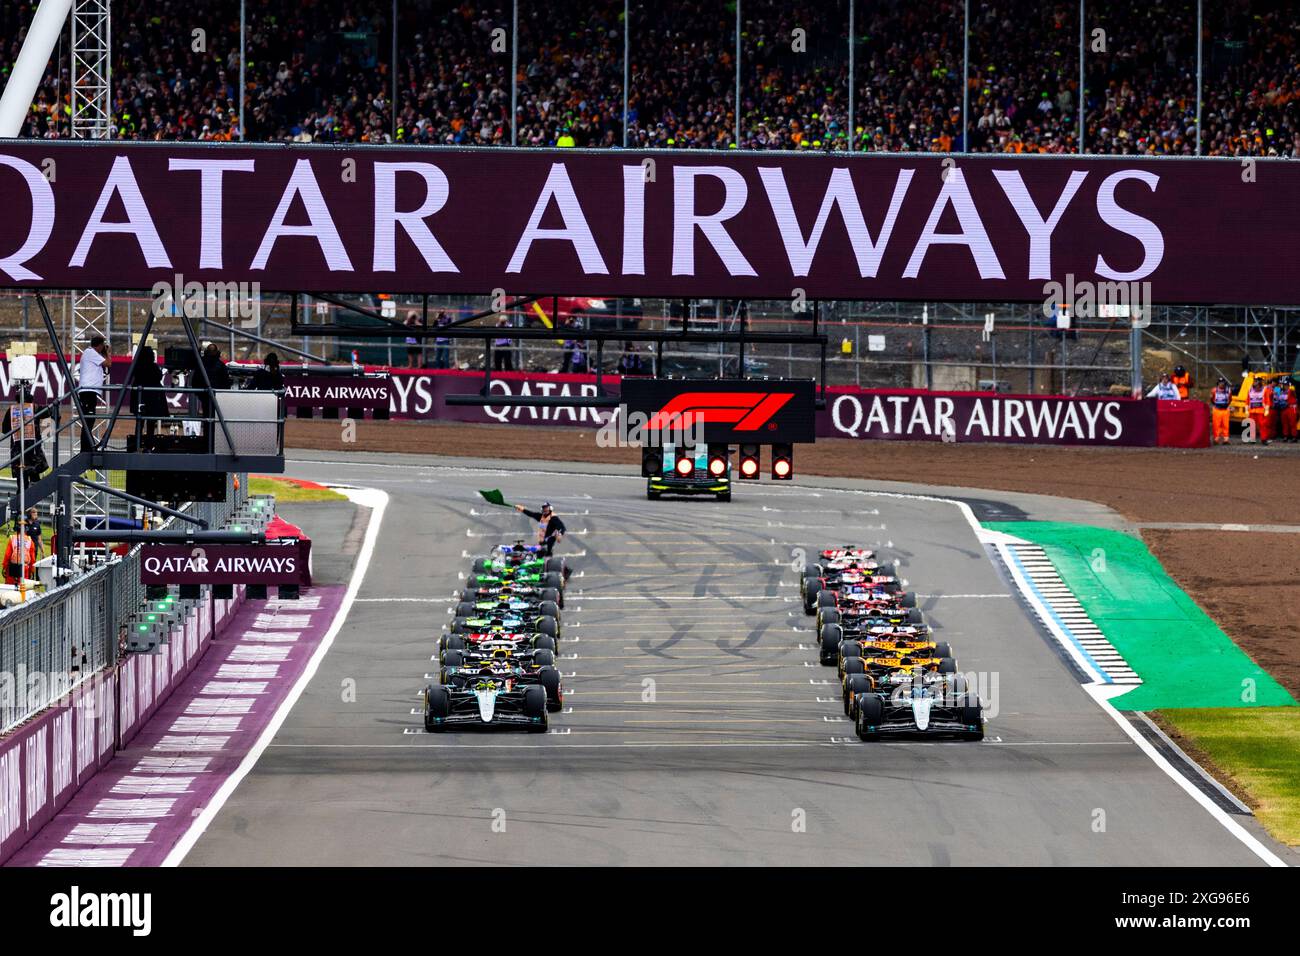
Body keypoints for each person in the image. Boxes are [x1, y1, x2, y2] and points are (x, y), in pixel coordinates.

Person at [131, 344, 169, 445]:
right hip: (152, 399)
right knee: (151, 423)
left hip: (140, 399)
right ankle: (149, 445)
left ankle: (137, 444)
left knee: (139, 423)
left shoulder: (136, 366)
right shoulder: (153, 367)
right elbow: (158, 376)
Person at [77, 334, 108, 451]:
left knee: (89, 420)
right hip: (88, 391)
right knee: (88, 420)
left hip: (90, 391)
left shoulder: (90, 353)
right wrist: (106, 352)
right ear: (100, 345)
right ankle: (86, 448)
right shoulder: (91, 353)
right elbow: (109, 363)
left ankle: (88, 446)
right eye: (103, 345)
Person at [3, 520, 36, 586]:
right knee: (23, 588)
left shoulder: (12, 539)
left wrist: (5, 567)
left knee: (10, 588)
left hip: (12, 568)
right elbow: (32, 558)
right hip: (25, 568)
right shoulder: (30, 541)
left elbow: (7, 555)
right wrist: (32, 570)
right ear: (26, 530)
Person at [1271, 377, 1297, 443]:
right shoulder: (1279, 391)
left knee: (1292, 423)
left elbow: (1294, 394)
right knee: (1284, 423)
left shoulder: (1291, 390)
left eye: (1286, 385)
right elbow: (1275, 398)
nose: (1285, 386)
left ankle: (1294, 437)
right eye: (1284, 385)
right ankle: (1285, 436)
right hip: (1283, 409)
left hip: (1291, 408)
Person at [1246, 376, 1270, 444]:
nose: (1255, 383)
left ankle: (1264, 439)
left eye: (1257, 381)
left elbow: (1267, 400)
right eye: (1255, 381)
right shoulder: (1250, 389)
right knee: (1252, 425)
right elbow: (1247, 400)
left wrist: (1267, 410)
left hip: (1261, 411)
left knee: (1263, 425)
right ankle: (1252, 439)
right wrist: (1247, 410)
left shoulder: (1265, 389)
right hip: (1252, 410)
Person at [1210, 376, 1233, 445]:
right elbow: (1212, 399)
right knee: (1216, 425)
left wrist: (1227, 406)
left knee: (1225, 425)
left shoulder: (1228, 390)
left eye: (1223, 383)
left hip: (1225, 410)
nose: (1221, 384)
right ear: (1218, 383)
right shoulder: (1214, 390)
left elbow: (1230, 399)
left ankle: (1226, 439)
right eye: (1220, 383)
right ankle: (1216, 439)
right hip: (1217, 409)